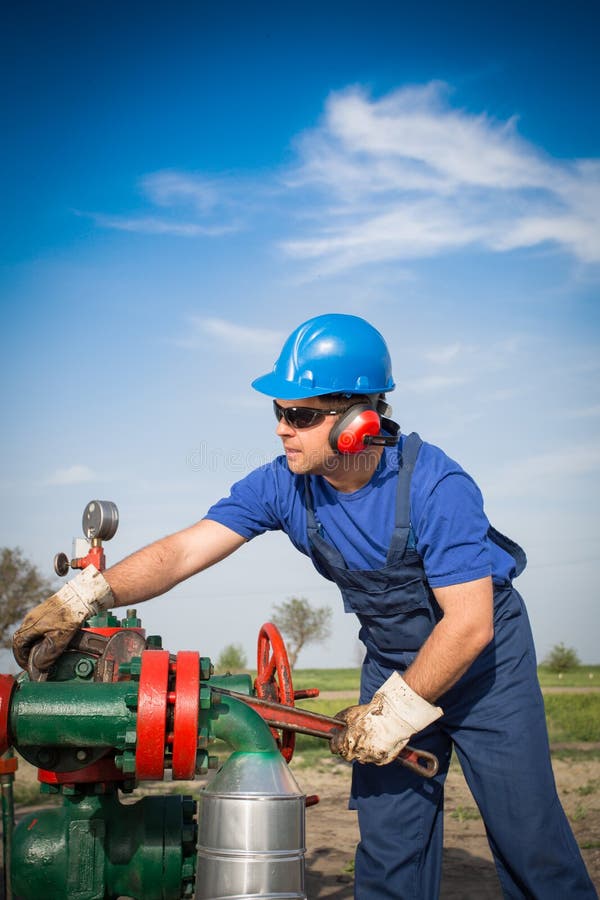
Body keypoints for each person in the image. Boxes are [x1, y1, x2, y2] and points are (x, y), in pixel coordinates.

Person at [13, 314, 596, 899]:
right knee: (390, 846)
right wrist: (87, 594)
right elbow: (186, 549)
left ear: (357, 421)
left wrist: (393, 715)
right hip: (394, 664)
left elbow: (469, 625)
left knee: (529, 840)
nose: (282, 430)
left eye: (300, 415)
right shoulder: (284, 485)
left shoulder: (436, 488)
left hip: (485, 674)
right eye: (278, 412)